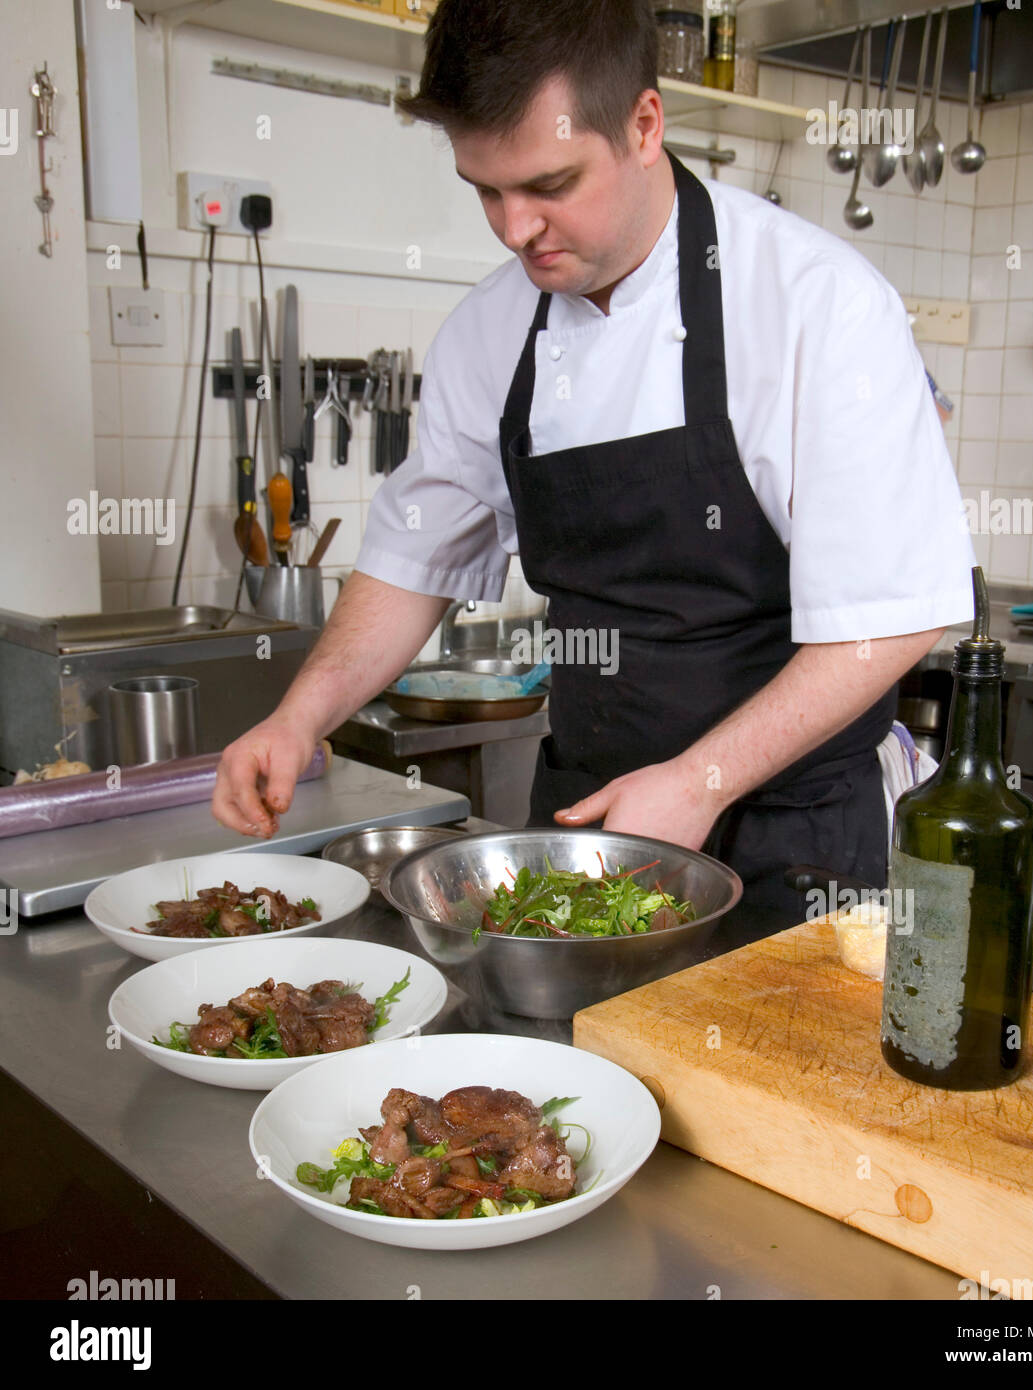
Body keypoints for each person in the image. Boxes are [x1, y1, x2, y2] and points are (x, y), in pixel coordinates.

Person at [212, 0, 975, 932]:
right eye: (485, 191)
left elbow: (887, 623)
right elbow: (414, 563)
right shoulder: (490, 333)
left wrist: (701, 779)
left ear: (644, 126)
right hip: (586, 821)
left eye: (549, 184)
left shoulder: (817, 304)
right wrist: (301, 717)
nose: (513, 228)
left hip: (797, 842)